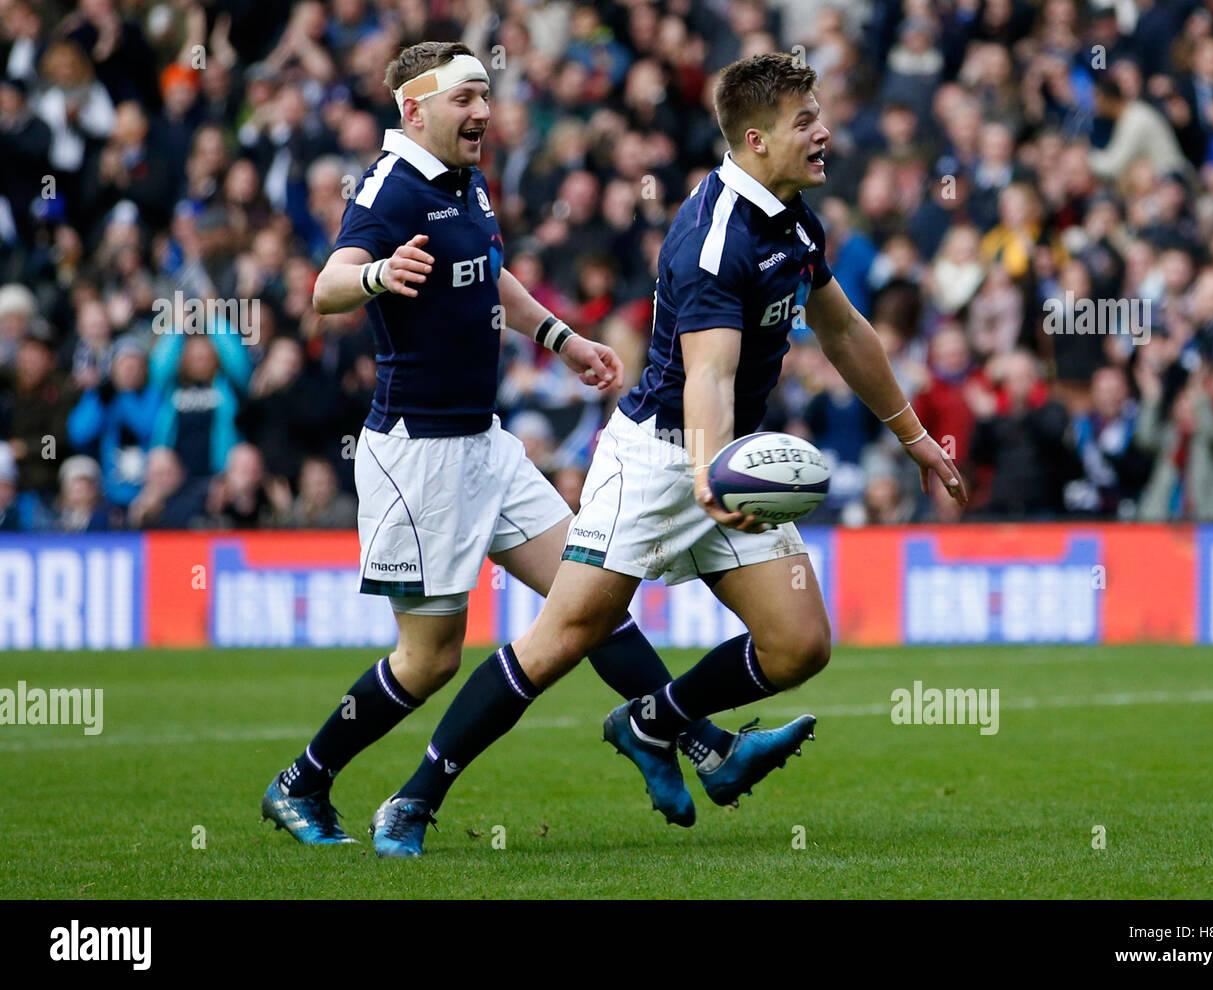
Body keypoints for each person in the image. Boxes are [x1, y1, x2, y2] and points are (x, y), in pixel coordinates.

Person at [367, 53, 966, 858]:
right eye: (804, 122)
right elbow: (709, 378)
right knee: (561, 640)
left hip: (724, 457)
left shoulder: (790, 218)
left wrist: (914, 436)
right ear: (755, 139)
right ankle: (413, 800)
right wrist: (711, 474)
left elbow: (845, 329)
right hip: (658, 460)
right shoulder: (715, 238)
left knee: (800, 645)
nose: (824, 133)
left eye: (819, 115)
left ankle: (653, 724)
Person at [261, 41, 756, 846]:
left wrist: (562, 338)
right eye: (464, 98)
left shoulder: (467, 182)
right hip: (419, 456)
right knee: (429, 662)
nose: (482, 112)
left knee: (589, 598)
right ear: (414, 110)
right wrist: (380, 275)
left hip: (487, 445)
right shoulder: (390, 187)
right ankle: (302, 782)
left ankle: (691, 740)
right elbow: (325, 287)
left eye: (485, 94)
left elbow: (490, 275)